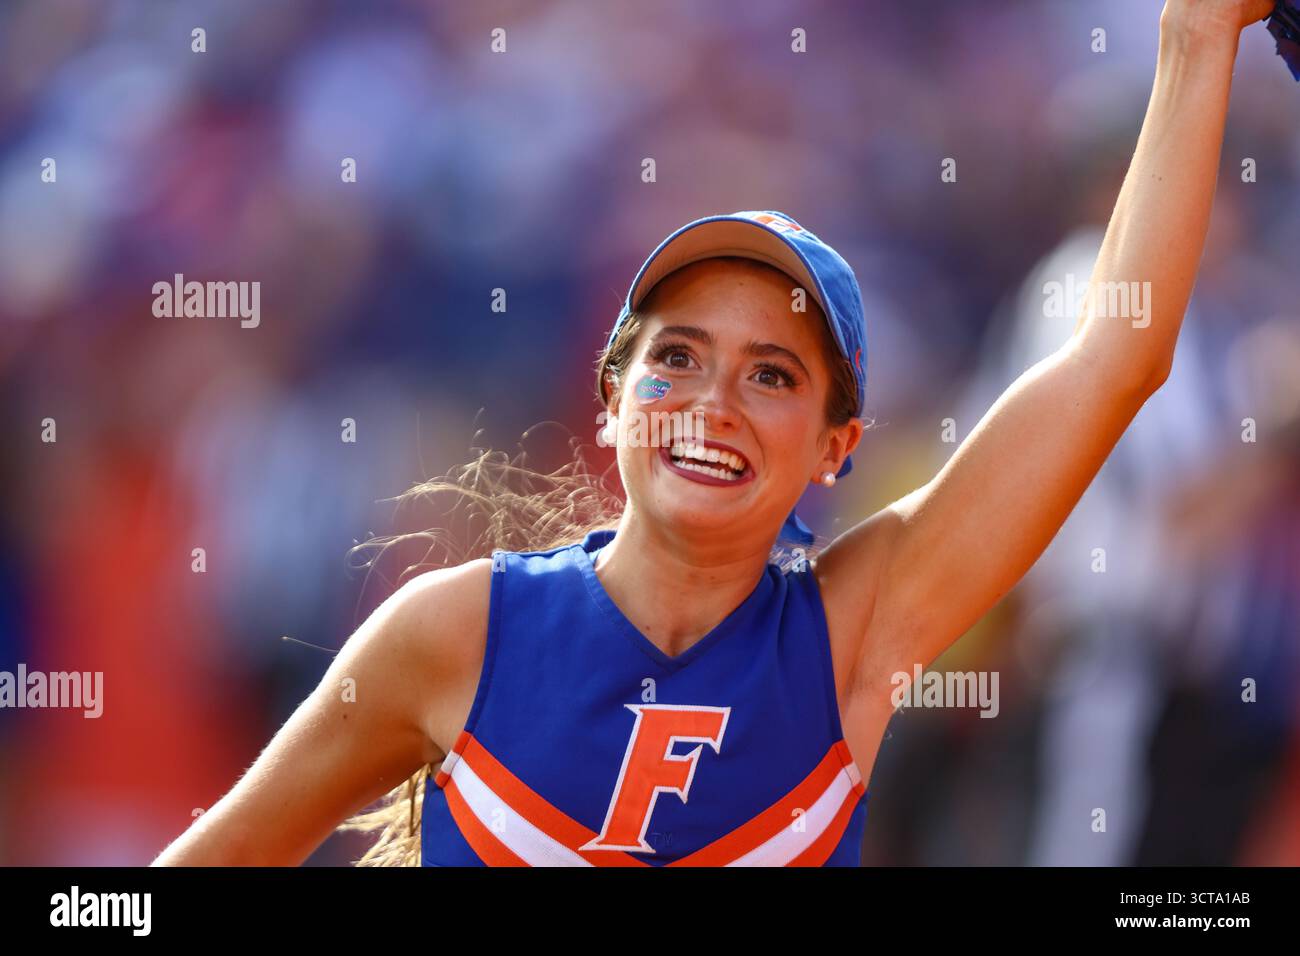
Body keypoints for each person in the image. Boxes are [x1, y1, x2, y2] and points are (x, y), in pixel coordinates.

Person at [152, 0, 1277, 866]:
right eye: (675, 358)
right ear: (610, 395)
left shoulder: (854, 630)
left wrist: (1192, 35)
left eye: (773, 373)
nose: (713, 402)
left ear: (838, 445)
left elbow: (1113, 358)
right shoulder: (455, 630)